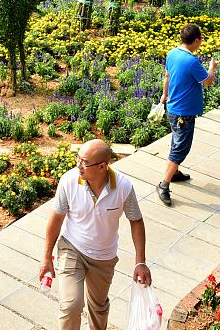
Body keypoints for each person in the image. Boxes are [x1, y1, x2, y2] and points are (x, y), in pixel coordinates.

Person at [40, 140, 150, 330]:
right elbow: (56, 219)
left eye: (84, 162)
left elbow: (136, 221)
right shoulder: (69, 181)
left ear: (102, 166)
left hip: (104, 257)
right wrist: (46, 257)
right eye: (78, 159)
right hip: (72, 247)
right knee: (71, 305)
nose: (78, 165)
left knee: (98, 308)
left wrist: (140, 262)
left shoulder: (123, 187)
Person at [156, 24, 218, 206]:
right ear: (197, 40)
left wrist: (164, 95)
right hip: (184, 113)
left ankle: (174, 173)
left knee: (177, 142)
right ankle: (164, 185)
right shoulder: (192, 62)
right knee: (180, 148)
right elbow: (207, 81)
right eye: (201, 39)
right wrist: (212, 67)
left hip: (173, 109)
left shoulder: (172, 53)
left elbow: (167, 76)